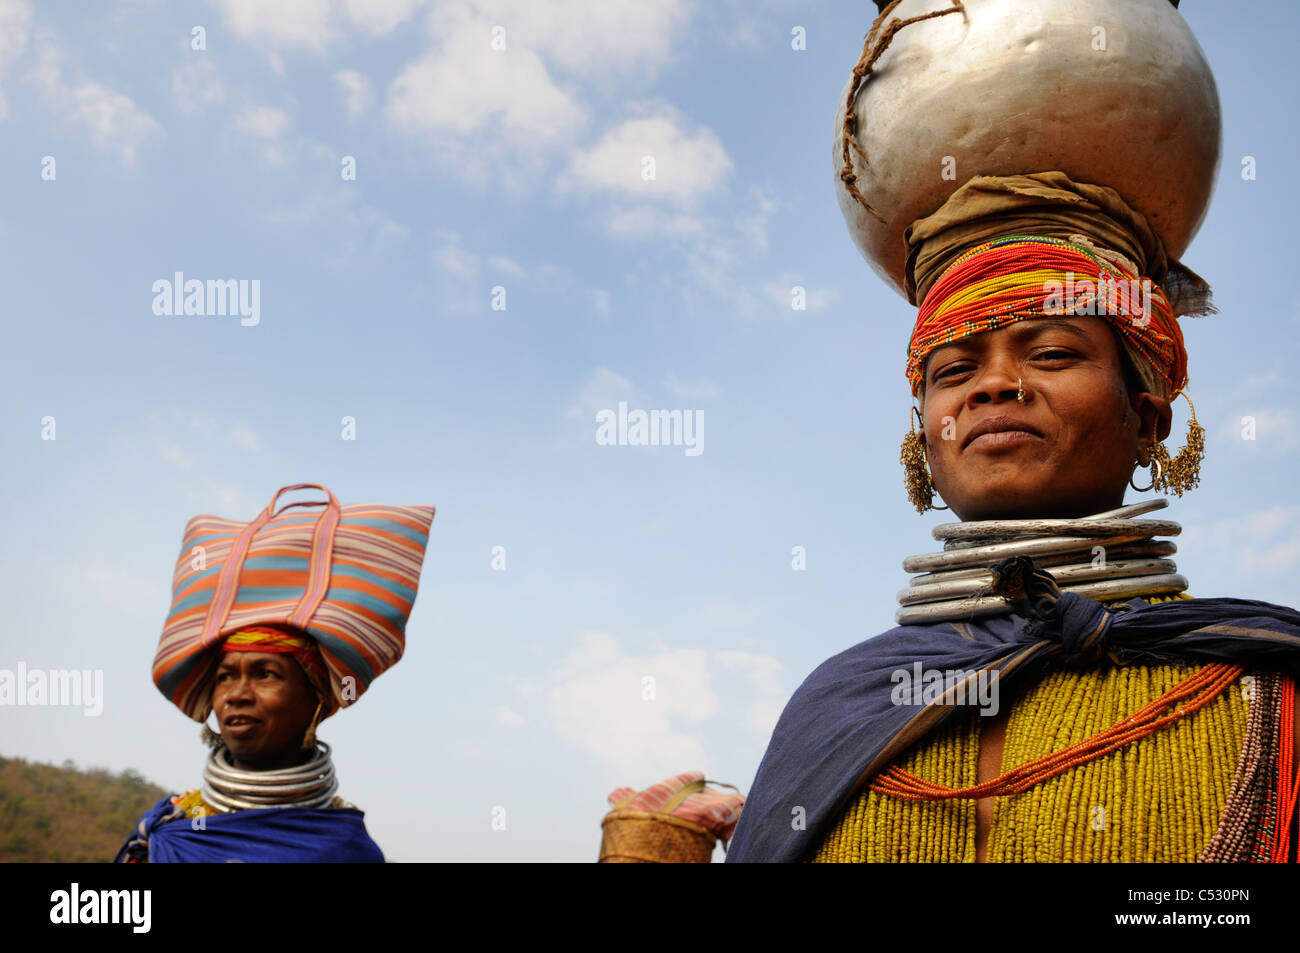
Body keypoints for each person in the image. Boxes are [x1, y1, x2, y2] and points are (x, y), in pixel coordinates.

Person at [726, 202, 1300, 863]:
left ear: (1145, 422)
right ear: (925, 445)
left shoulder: (1263, 685)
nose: (994, 384)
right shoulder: (836, 705)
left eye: (1052, 353)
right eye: (955, 371)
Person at [115, 625, 383, 862]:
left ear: (318, 697)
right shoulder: (169, 832)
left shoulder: (345, 850)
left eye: (266, 674)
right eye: (225, 677)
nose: (237, 695)